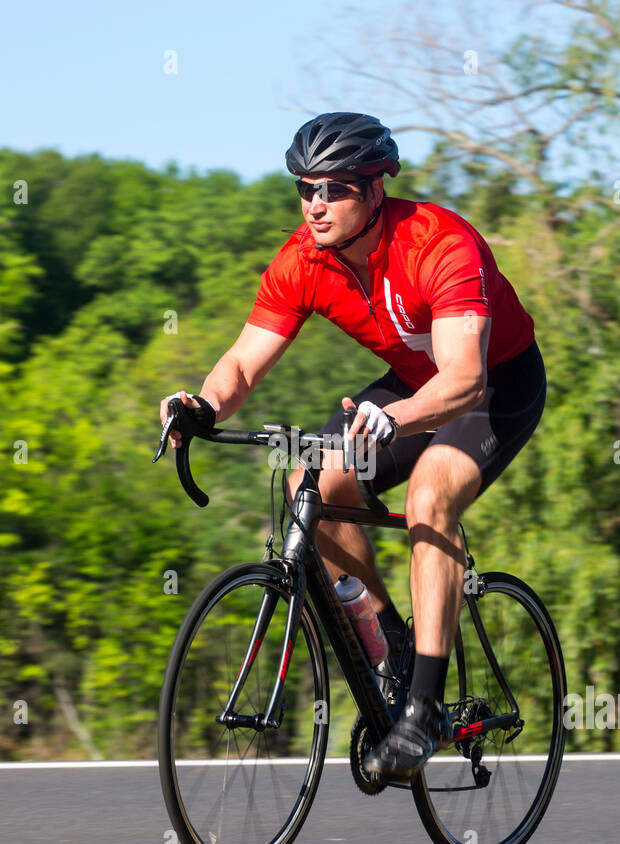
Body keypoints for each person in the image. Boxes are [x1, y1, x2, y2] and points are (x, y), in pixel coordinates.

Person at [158, 111, 546, 779]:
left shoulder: (437, 243)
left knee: (431, 494)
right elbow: (244, 365)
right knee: (312, 480)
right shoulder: (303, 260)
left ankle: (422, 711)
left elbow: (463, 378)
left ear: (374, 188)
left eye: (333, 189)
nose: (315, 205)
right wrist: (202, 403)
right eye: (305, 188)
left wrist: (398, 421)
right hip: (410, 384)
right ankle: (392, 639)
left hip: (492, 385)